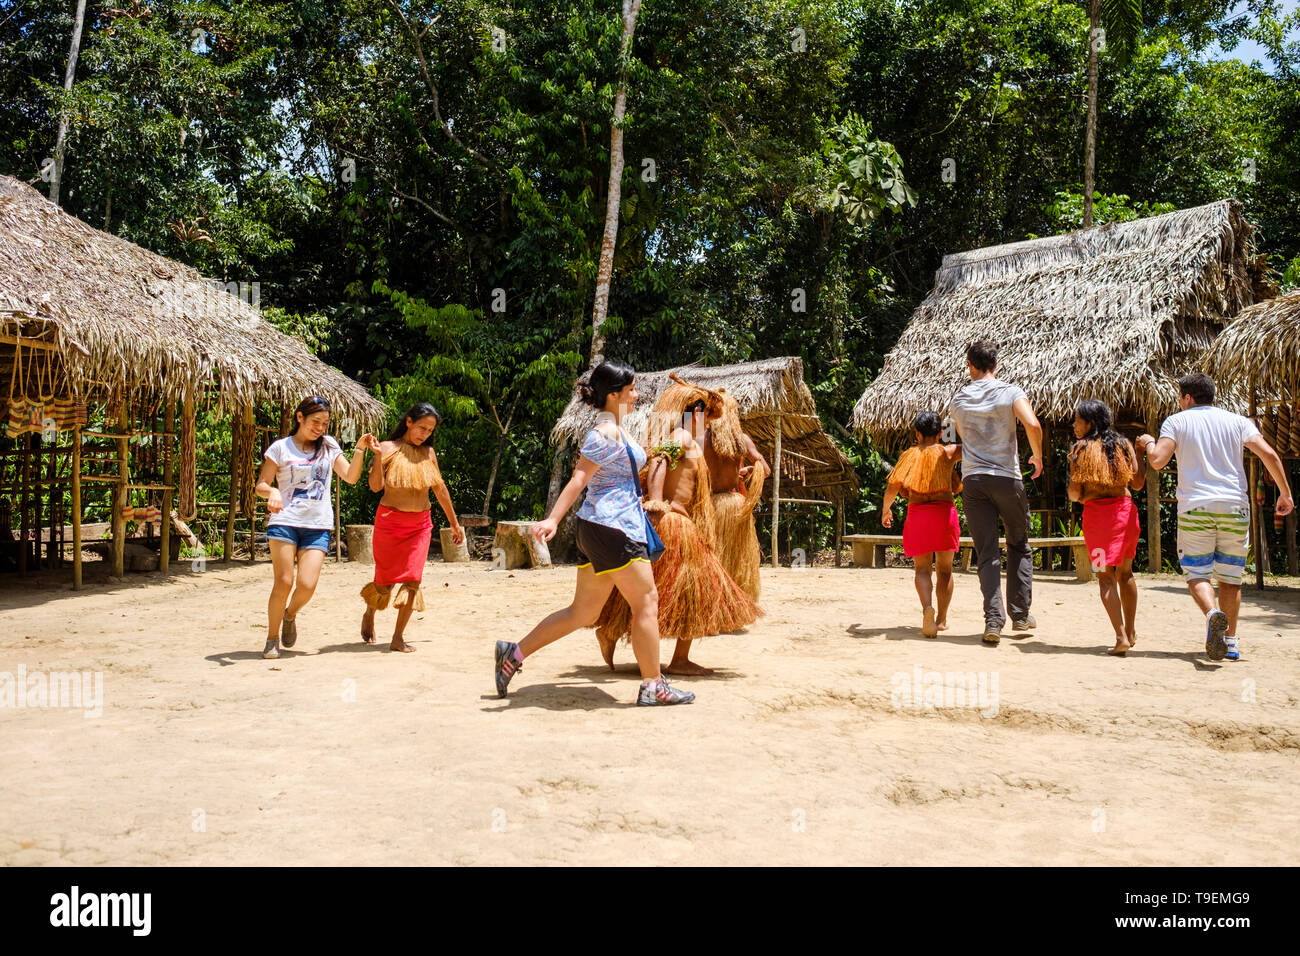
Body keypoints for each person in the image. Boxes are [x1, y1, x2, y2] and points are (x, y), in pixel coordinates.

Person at [493, 361, 694, 706]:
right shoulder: (603, 433)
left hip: (599, 528)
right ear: (614, 395)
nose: (637, 394)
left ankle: (514, 653)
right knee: (646, 601)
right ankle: (653, 686)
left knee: (583, 613)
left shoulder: (615, 426)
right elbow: (579, 478)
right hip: (613, 527)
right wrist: (553, 520)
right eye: (631, 389)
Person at [595, 375, 760, 676]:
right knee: (692, 586)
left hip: (682, 525)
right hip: (672, 523)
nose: (709, 423)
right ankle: (624, 637)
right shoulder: (681, 437)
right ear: (695, 413)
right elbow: (658, 462)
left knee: (686, 589)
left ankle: (616, 633)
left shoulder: (688, 441)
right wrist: (657, 504)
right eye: (707, 416)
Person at [1139, 373, 1294, 661]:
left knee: (1197, 573)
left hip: (1196, 506)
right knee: (1231, 578)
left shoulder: (1177, 421)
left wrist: (1148, 443)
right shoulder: (1238, 422)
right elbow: (1269, 454)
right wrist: (1285, 493)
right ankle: (1231, 641)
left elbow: (1158, 461)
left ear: (1187, 397)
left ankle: (1212, 614)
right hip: (1235, 506)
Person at [255, 396, 379, 660]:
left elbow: (351, 477)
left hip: (317, 524)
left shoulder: (329, 446)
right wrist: (273, 491)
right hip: (285, 522)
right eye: (315, 422)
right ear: (300, 417)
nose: (320, 428)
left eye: (324, 423)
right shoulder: (280, 448)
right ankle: (272, 638)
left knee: (307, 585)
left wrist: (359, 450)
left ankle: (290, 615)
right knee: (284, 581)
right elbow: (261, 486)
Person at [950, 340, 1044, 645]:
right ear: (996, 364)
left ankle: (993, 620)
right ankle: (1020, 614)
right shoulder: (1010, 392)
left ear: (970, 365)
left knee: (987, 552)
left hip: (974, 481)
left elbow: (963, 435)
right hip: (1006, 478)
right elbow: (1032, 423)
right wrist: (1037, 456)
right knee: (1019, 543)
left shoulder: (959, 399)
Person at [360, 403, 464, 653]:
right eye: (421, 428)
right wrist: (375, 455)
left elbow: (439, 488)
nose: (425, 434)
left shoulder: (429, 453)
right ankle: (369, 612)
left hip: (420, 525)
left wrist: (453, 522)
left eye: (429, 430)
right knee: (385, 582)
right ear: (408, 422)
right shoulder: (387, 448)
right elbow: (375, 487)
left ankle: (397, 637)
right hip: (389, 523)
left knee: (413, 580)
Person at [1067, 399, 1146, 656]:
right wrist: (1140, 454)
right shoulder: (1123, 444)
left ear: (1089, 422)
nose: (1074, 424)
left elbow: (1074, 493)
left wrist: (1080, 495)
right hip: (1124, 514)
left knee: (1105, 577)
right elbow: (1137, 483)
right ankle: (1131, 632)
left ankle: (1120, 636)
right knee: (1126, 574)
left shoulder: (1079, 449)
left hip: (1097, 520)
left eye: (1077, 419)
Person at [881, 411, 962, 637]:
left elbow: (892, 488)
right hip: (944, 515)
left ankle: (927, 608)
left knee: (922, 569)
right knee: (945, 570)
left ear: (917, 433)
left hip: (918, 516)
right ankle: (942, 620)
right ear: (939, 434)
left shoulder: (909, 455)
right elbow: (976, 450)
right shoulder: (948, 452)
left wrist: (886, 510)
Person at [703, 388, 770, 602]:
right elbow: (765, 470)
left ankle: (716, 605)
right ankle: (736, 604)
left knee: (712, 558)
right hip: (736, 505)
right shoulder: (742, 439)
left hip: (711, 505)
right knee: (737, 560)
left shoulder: (701, 439)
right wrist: (751, 470)